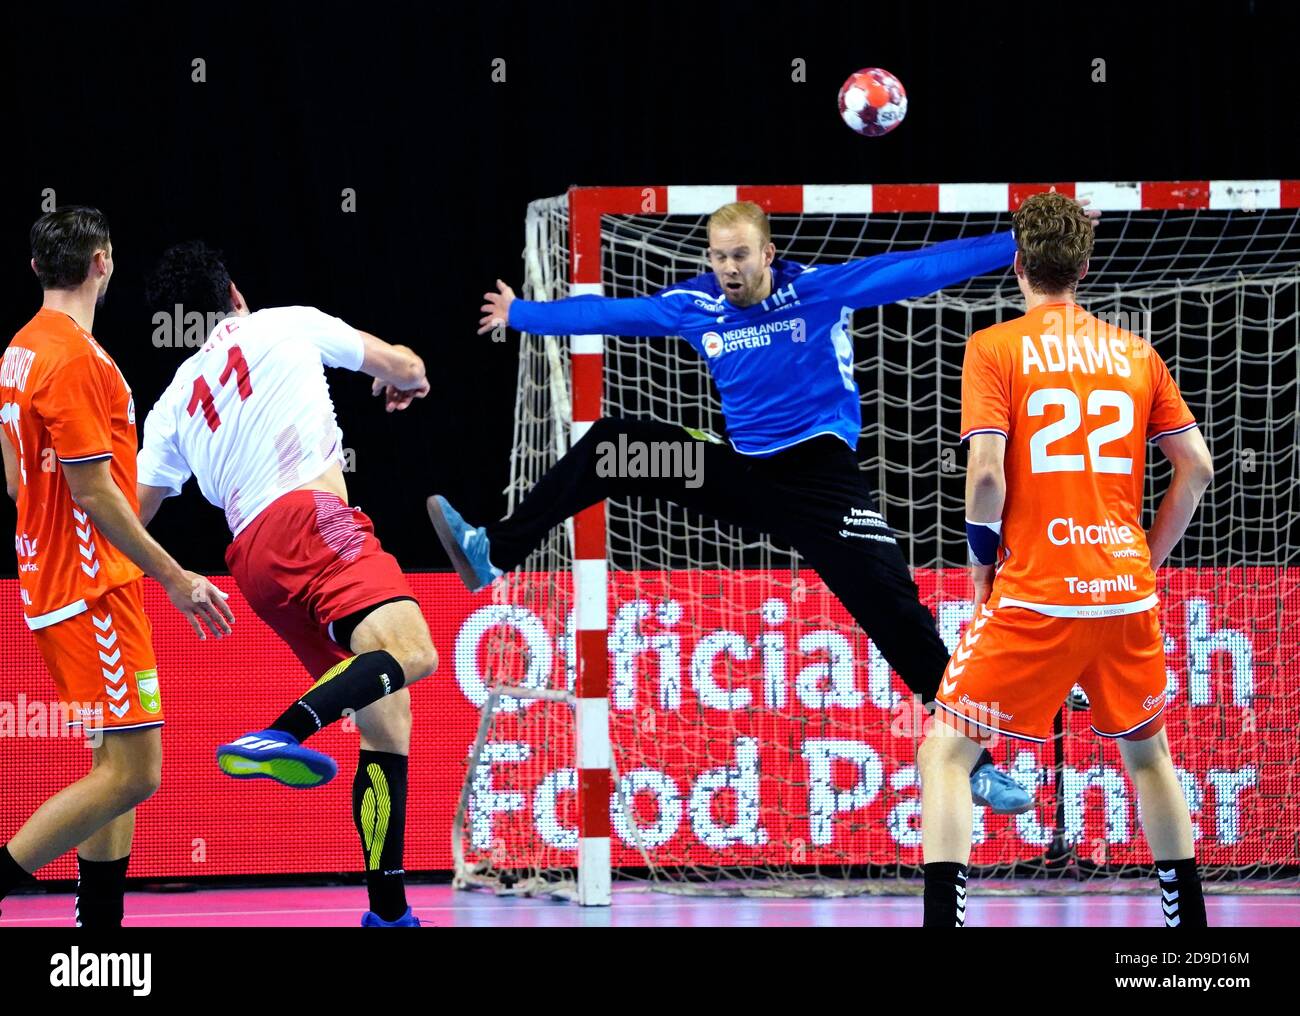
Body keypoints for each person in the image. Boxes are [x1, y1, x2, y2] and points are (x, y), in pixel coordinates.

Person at [431, 201, 1098, 814]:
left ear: (767, 253)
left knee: (893, 609)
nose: (729, 268)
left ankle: (975, 761)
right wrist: (523, 315)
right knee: (613, 447)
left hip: (820, 478)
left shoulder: (813, 291)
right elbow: (614, 312)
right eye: (719, 256)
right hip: (743, 475)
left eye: (741, 255)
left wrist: (1015, 241)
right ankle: (496, 551)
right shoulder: (695, 306)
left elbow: (911, 271)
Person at [917, 191, 1214, 928]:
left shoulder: (995, 347)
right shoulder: (1137, 351)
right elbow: (1198, 468)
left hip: (1038, 595)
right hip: (1124, 593)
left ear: (1018, 265)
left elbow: (986, 476)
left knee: (947, 754)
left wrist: (982, 554)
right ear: (1084, 266)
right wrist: (1144, 558)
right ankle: (1190, 939)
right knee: (1150, 761)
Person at [138, 242, 435, 927]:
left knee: (385, 715)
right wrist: (409, 384)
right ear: (234, 294)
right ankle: (279, 733)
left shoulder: (172, 403)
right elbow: (406, 364)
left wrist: (176, 579)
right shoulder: (286, 321)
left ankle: (388, 913)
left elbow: (131, 513)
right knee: (415, 651)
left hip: (251, 564)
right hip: (312, 519)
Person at [0, 208, 233, 928]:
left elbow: (17, 483)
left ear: (38, 268)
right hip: (89, 589)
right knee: (138, 771)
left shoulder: (20, 349)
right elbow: (95, 490)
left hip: (65, 581)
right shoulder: (74, 360)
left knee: (115, 771)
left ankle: (99, 929)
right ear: (103, 262)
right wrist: (176, 577)